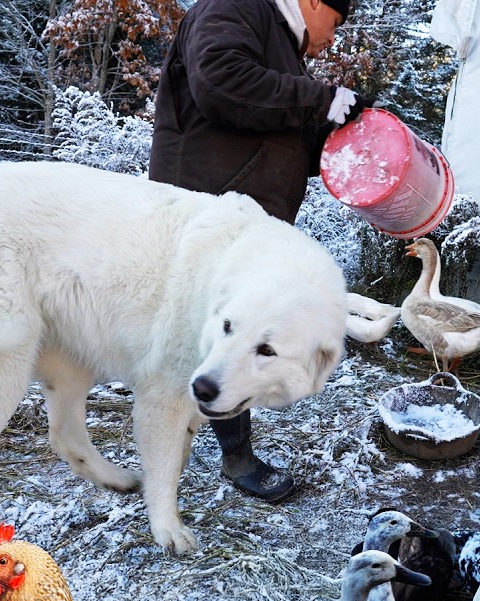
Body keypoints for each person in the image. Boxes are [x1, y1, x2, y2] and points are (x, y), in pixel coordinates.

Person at [150, 0, 368, 502]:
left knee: (235, 331)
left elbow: (281, 133)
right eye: (334, 23)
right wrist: (320, 99)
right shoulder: (236, 6)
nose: (333, 37)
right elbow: (221, 81)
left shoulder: (283, 49)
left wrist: (342, 135)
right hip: (206, 215)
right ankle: (225, 454)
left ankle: (212, 436)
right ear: (314, 2)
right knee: (208, 332)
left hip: (250, 225)